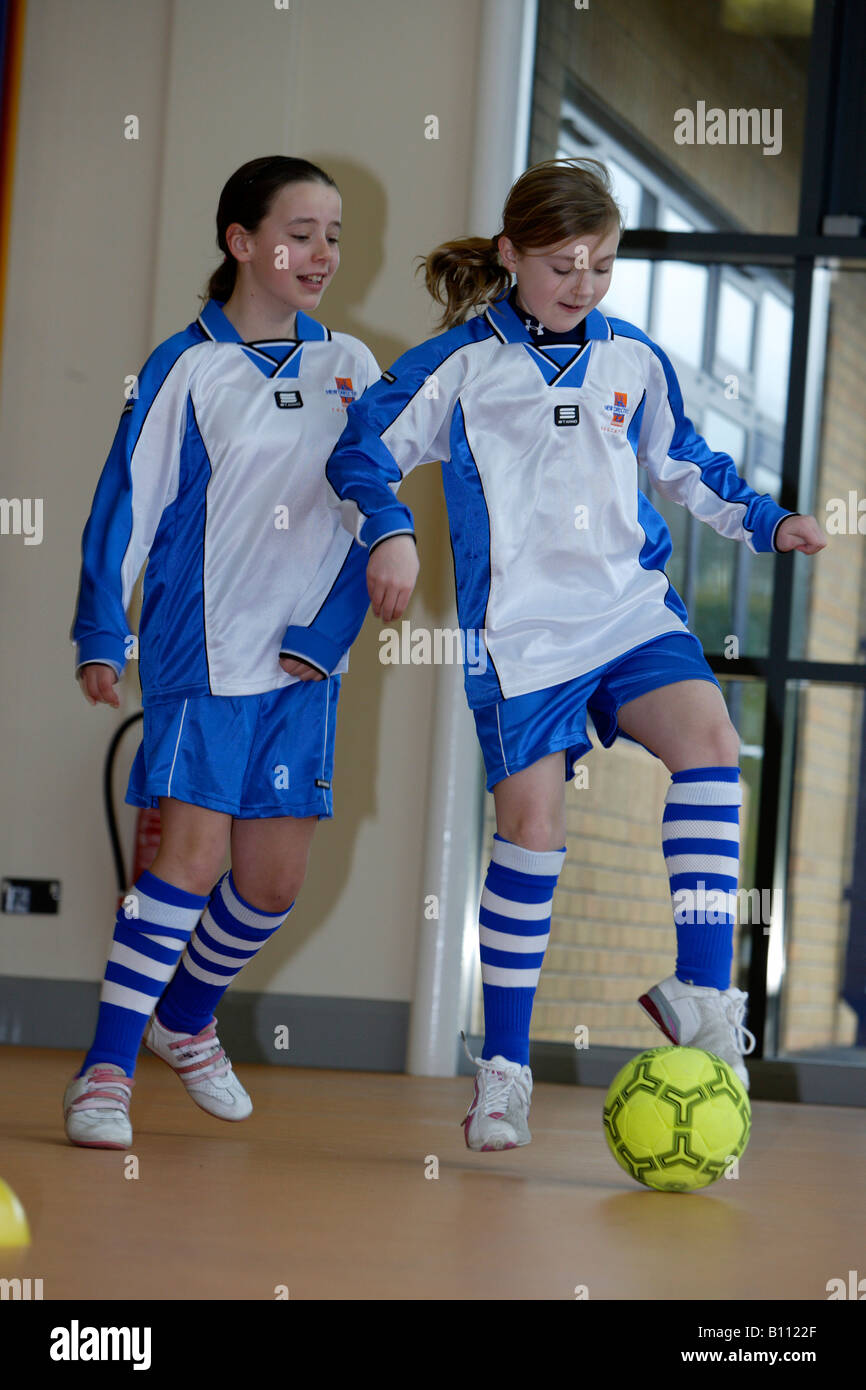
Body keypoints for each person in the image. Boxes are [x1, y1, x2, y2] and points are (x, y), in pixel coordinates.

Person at [317, 157, 826, 1151]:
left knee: (711, 741)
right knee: (533, 834)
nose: (582, 284)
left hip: (628, 613)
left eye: (598, 266)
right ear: (509, 255)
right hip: (522, 642)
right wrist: (388, 528)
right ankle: (502, 1070)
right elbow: (357, 451)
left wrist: (767, 523)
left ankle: (701, 986)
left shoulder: (630, 357)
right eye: (560, 265)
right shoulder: (457, 365)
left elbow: (687, 464)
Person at [65, 155, 381, 1149]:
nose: (321, 252)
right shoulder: (185, 365)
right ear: (241, 241)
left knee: (273, 882)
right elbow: (125, 500)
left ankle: (185, 1019)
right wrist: (98, 630)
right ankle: (103, 1073)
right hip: (200, 652)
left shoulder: (353, 368)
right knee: (191, 861)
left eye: (333, 233)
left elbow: (373, 513)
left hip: (304, 666)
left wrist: (326, 636)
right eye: (300, 231)